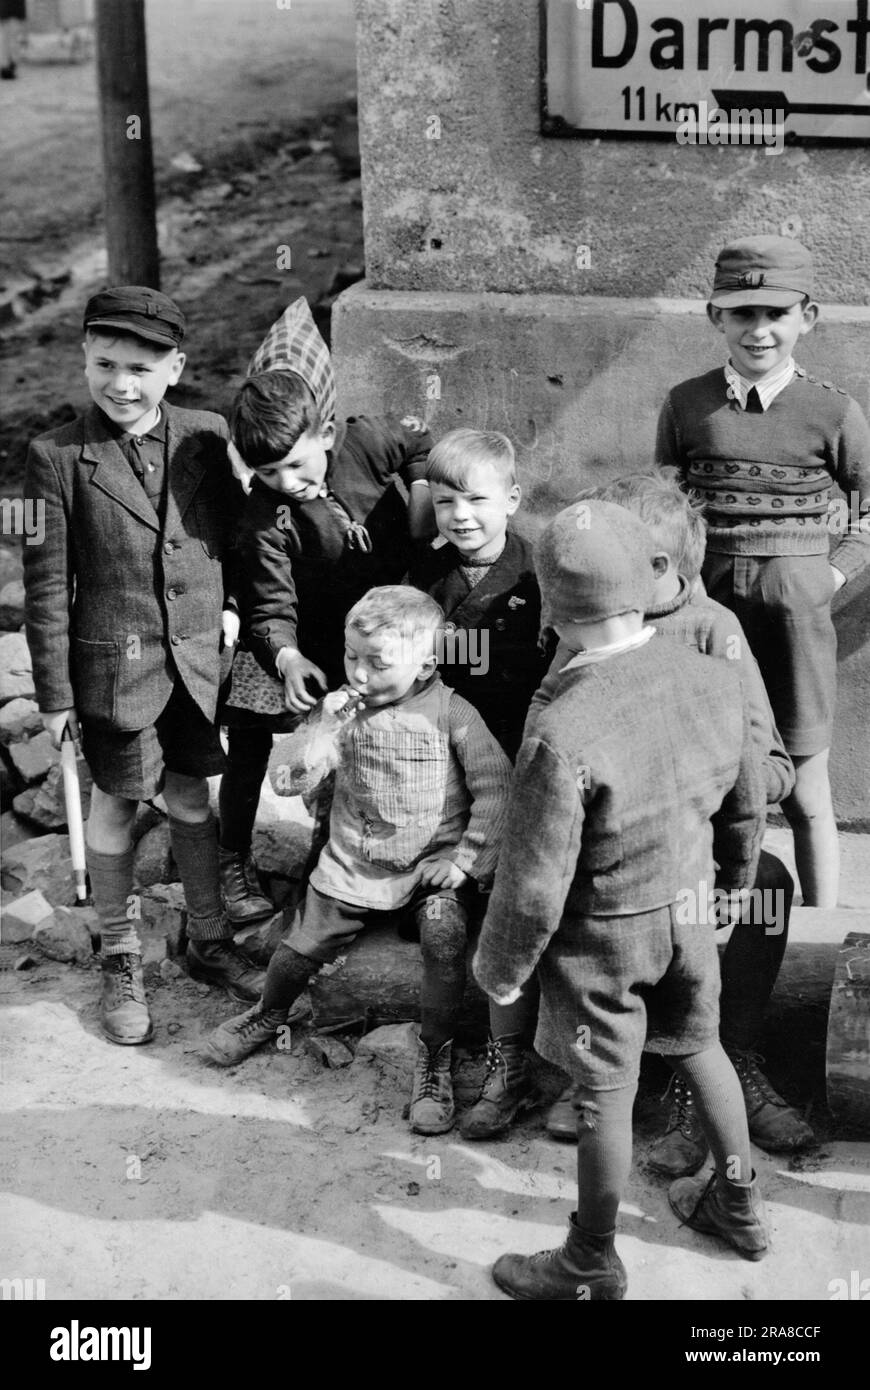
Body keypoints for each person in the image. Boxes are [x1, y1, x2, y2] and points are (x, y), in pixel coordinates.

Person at [474, 500, 769, 1300]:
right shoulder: (714, 678)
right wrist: (734, 888)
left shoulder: (563, 729)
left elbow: (532, 881)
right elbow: (746, 807)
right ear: (653, 580)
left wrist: (501, 971)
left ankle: (590, 1258)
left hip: (603, 941)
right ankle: (738, 1202)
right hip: (691, 912)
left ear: (553, 614)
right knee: (700, 1047)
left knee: (606, 1092)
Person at [23, 286, 264, 1047]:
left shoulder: (206, 435)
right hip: (114, 674)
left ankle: (209, 939)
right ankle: (120, 955)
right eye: (104, 364)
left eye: (139, 368)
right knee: (118, 804)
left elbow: (237, 535)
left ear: (175, 370)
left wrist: (237, 619)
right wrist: (55, 695)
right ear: (84, 360)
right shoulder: (57, 456)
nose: (120, 384)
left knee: (192, 798)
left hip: (194, 667)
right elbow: (47, 587)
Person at [204, 586, 512, 1136]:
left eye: (378, 663)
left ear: (427, 663)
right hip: (354, 862)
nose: (360, 674)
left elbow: (497, 791)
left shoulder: (454, 714)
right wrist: (323, 727)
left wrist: (465, 861)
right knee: (301, 944)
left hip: (432, 867)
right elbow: (287, 778)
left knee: (444, 941)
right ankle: (270, 1012)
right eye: (351, 657)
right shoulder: (342, 716)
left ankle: (434, 1058)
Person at [594, 473, 814, 1166]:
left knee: (769, 888)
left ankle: (731, 1061)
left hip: (701, 840)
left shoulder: (716, 632)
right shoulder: (591, 622)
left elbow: (774, 762)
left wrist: (710, 782)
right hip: (622, 848)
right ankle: (610, 1079)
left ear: (663, 568)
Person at [657, 235, 870, 908]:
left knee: (807, 786)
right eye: (742, 314)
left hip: (797, 622)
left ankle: (819, 927)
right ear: (715, 317)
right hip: (707, 615)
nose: (759, 331)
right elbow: (664, 508)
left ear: (807, 318)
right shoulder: (687, 404)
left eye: (776, 315)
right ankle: (706, 920)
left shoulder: (833, 410)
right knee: (706, 772)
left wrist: (833, 574)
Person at [216, 301, 434, 923]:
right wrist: (286, 657)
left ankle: (351, 855)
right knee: (255, 733)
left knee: (368, 741)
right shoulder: (264, 516)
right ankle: (233, 854)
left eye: (295, 463)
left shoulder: (364, 441)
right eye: (266, 470)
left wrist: (420, 487)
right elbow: (269, 603)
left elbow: (417, 441)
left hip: (372, 627)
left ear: (328, 435)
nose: (285, 481)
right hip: (299, 637)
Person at [406, 427, 555, 1139]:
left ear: (512, 500)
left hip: (521, 772)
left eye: (476, 499)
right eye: (444, 502)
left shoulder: (538, 580)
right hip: (444, 776)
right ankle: (432, 1055)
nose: (461, 515)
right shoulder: (422, 580)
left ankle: (511, 1064)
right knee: (440, 919)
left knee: (511, 911)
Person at [0, 0, 25, 79]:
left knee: (5, 39)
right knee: (12, 39)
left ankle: (6, 66)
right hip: (13, 12)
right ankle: (9, 65)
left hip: (5, 11)